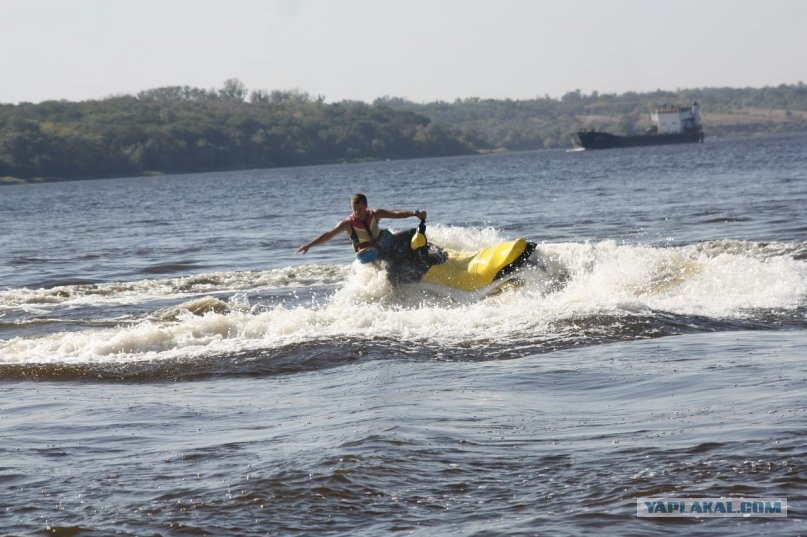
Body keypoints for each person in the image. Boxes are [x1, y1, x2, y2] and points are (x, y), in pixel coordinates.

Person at [296, 193, 427, 263]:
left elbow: (396, 214)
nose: (357, 212)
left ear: (366, 206)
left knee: (411, 233)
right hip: (369, 253)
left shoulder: (375, 213)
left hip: (384, 243)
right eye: (354, 209)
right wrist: (309, 245)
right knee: (393, 260)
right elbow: (328, 235)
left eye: (359, 209)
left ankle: (424, 255)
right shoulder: (347, 224)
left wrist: (415, 213)